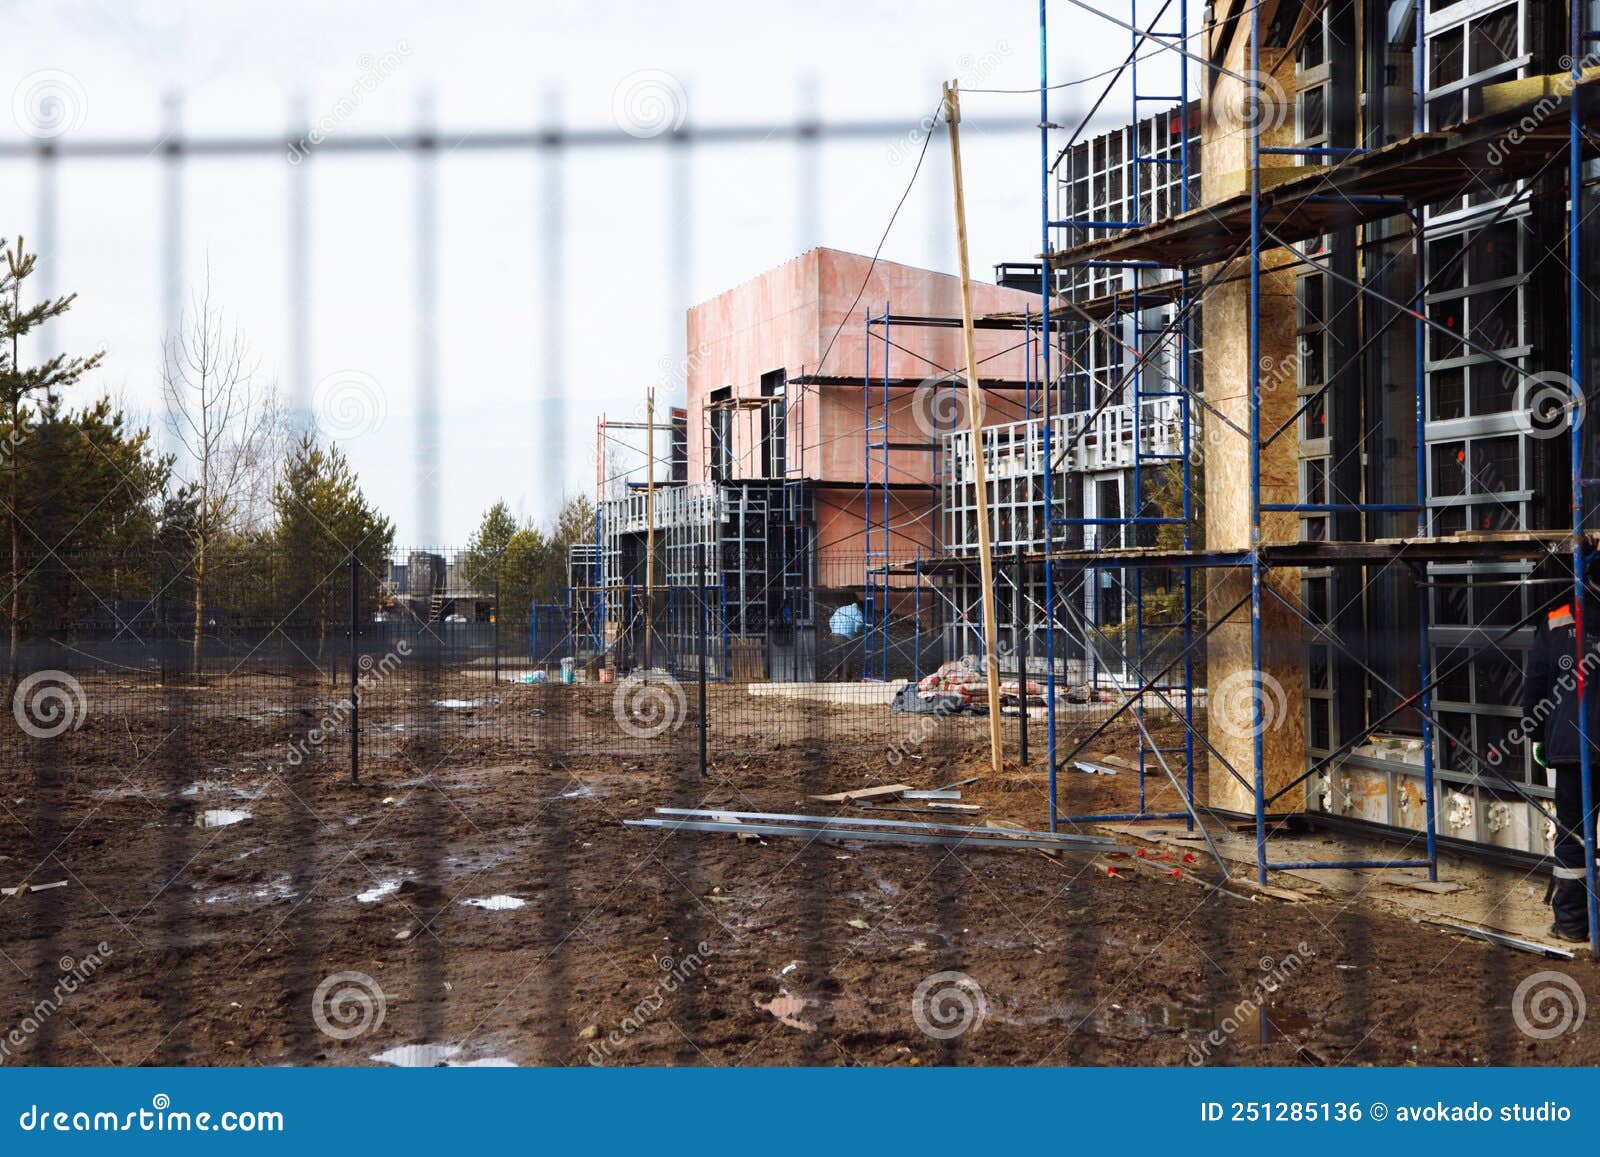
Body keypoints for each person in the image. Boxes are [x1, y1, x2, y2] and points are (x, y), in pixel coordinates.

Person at [1522, 585, 1600, 942]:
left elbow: (1535, 684)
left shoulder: (1556, 620)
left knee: (1573, 835)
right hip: (1575, 744)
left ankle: (1571, 924)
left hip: (1572, 747)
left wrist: (1537, 733)